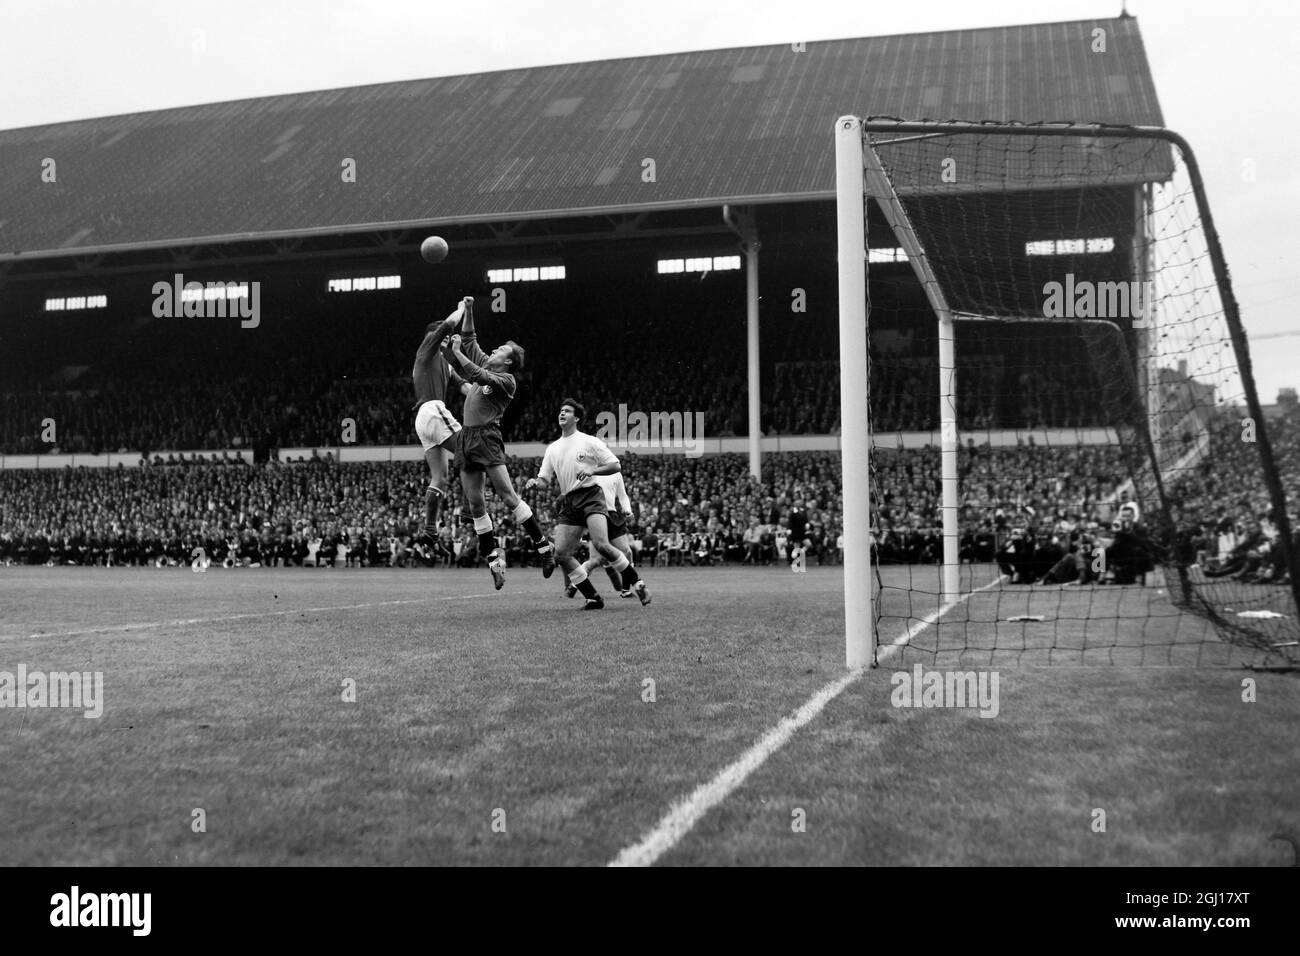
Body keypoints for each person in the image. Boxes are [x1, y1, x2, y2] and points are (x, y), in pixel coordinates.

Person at [446, 297, 555, 590]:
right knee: (476, 503)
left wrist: (455, 354)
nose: (492, 351)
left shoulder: (506, 380)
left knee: (507, 496)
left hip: (486, 437)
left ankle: (544, 547)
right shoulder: (487, 364)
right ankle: (495, 562)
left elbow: (476, 373)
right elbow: (470, 338)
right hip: (467, 438)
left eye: (500, 350)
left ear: (507, 360)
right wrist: (469, 310)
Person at [525, 398, 649, 610]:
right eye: (561, 410)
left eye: (567, 411)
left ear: (577, 418)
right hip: (570, 500)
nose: (562, 413)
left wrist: (593, 470)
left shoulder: (589, 441)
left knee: (601, 544)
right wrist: (536, 483)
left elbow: (615, 465)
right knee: (561, 554)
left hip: (591, 495)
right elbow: (545, 481)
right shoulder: (552, 448)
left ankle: (637, 582)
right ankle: (593, 597)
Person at [410, 298, 471, 557]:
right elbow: (447, 325)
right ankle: (470, 508)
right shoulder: (426, 350)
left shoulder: (445, 364)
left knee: (441, 477)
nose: (445, 339)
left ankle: (430, 529)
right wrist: (461, 309)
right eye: (441, 337)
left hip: (426, 418)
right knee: (470, 449)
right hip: (432, 410)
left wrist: (486, 395)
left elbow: (466, 388)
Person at [566, 469, 637, 599]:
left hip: (612, 516)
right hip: (595, 515)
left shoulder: (615, 473)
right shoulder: (588, 471)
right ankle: (573, 585)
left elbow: (623, 495)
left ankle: (626, 590)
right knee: (595, 560)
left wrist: (627, 510)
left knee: (627, 552)